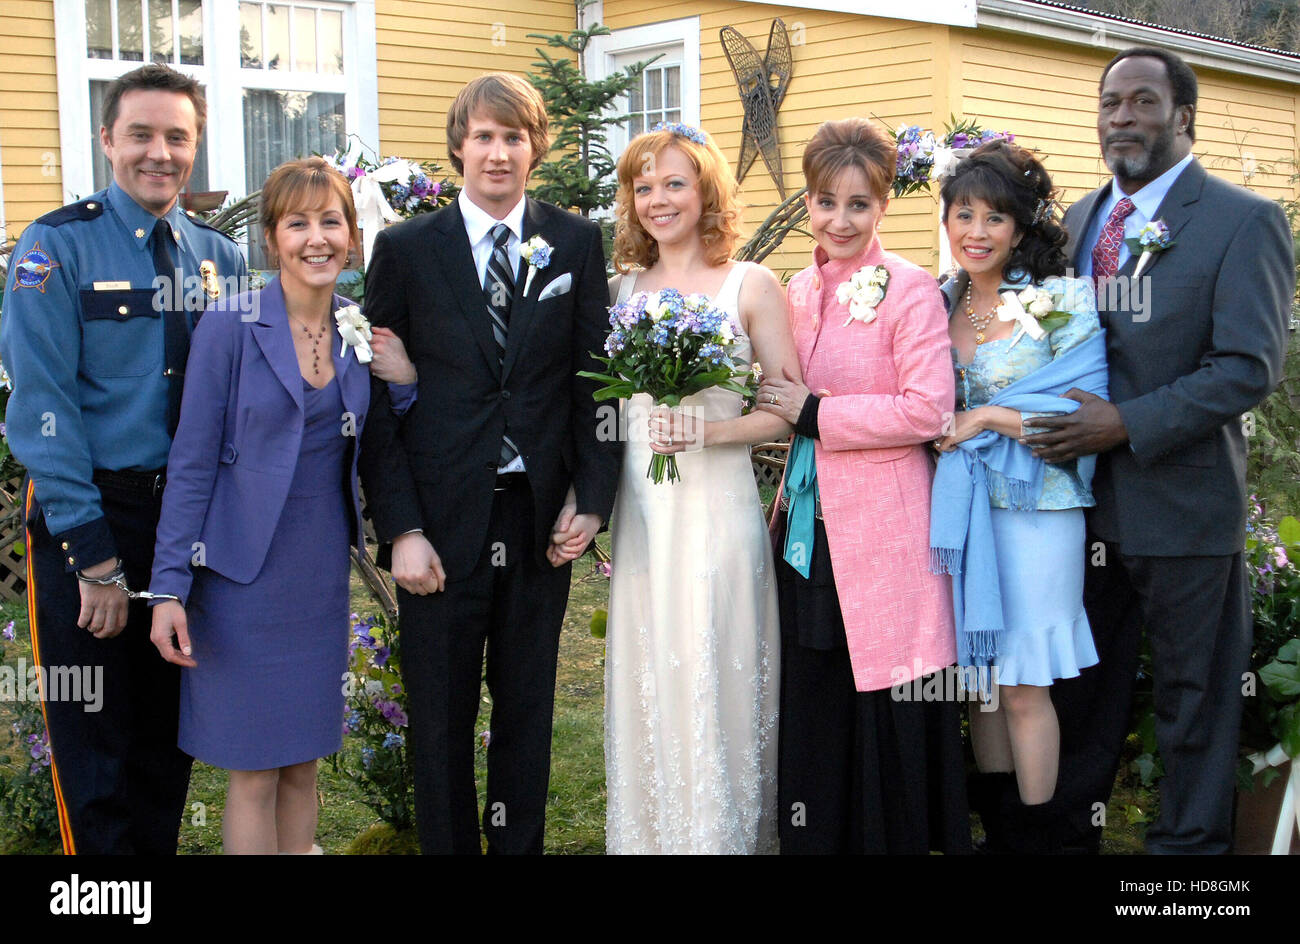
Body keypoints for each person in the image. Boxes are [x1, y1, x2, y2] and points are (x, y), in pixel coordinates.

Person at [1025, 47, 1293, 854]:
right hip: (1073, 507)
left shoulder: (1244, 222)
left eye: (1143, 102)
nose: (1122, 118)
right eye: (1111, 103)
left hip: (1182, 508)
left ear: (1184, 116)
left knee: (1194, 698)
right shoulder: (1075, 222)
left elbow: (1248, 368)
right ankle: (1069, 836)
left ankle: (1186, 861)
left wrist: (1127, 423)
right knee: (1081, 690)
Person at [357, 73, 621, 855]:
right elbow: (378, 405)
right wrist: (399, 526)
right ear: (458, 147)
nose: (498, 152)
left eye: (514, 136)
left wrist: (593, 495)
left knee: (526, 713)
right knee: (437, 720)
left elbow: (595, 380)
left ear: (535, 145)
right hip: (439, 524)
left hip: (539, 520)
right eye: (483, 136)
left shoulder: (575, 242)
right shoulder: (404, 250)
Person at [0, 64, 246, 854]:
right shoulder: (55, 247)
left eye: (178, 136)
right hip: (97, 517)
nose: (160, 153)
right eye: (140, 134)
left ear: (195, 144)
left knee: (167, 745)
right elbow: (42, 413)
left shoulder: (220, 257)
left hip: (185, 526)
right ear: (107, 140)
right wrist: (94, 558)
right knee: (96, 752)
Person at [145, 157, 414, 854]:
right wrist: (169, 587)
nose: (316, 238)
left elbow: (390, 438)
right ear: (272, 240)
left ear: (353, 238)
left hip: (319, 575)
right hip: (238, 581)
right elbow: (192, 462)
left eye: (331, 221)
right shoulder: (229, 325)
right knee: (256, 771)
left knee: (302, 763)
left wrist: (406, 382)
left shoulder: (359, 331)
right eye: (298, 223)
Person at [756, 117, 969, 854]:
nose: (838, 220)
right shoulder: (795, 288)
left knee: (880, 688)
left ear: (882, 204)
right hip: (807, 524)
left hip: (884, 527)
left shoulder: (910, 290)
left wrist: (817, 413)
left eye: (857, 203)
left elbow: (929, 408)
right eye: (824, 202)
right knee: (814, 689)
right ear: (808, 204)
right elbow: (772, 392)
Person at [599, 124, 799, 854]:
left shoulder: (752, 284)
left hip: (717, 513)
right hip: (645, 518)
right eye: (643, 186)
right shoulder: (620, 289)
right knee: (651, 669)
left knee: (715, 667)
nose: (658, 199)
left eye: (674, 183)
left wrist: (707, 433)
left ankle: (721, 836)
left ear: (706, 191)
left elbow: (785, 405)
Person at [930, 141, 1107, 853]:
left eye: (994, 218)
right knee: (983, 682)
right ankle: (999, 828)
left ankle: (1040, 839)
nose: (976, 231)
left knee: (1027, 682)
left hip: (1040, 515)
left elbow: (1088, 414)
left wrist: (987, 417)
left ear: (1020, 227)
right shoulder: (938, 302)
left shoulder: (1060, 303)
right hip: (968, 514)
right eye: (962, 213)